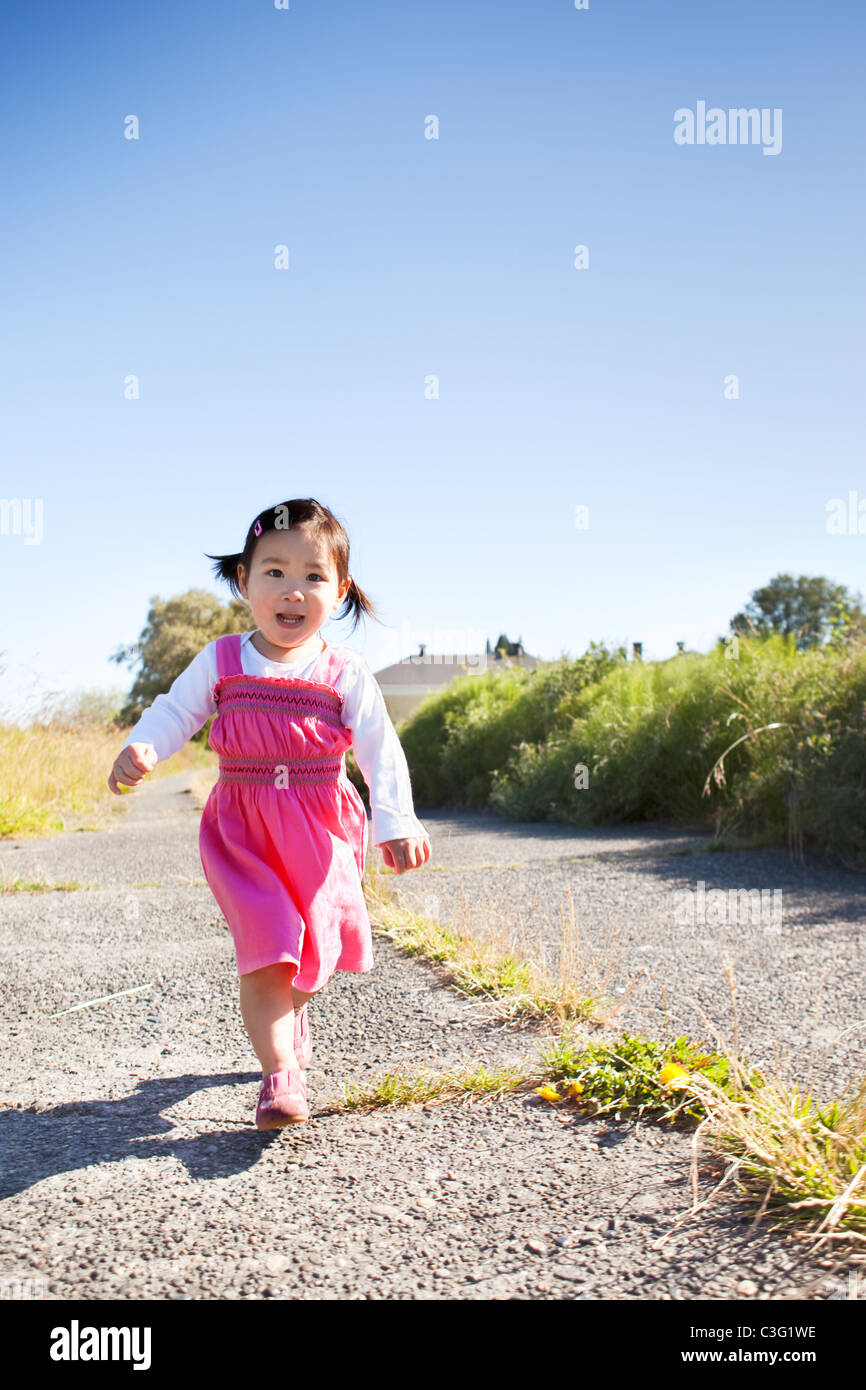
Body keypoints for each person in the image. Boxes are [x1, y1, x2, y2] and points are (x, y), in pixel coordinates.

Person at [108, 497, 431, 1130]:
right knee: (269, 950)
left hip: (323, 831)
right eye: (274, 572)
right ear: (244, 582)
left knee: (317, 952)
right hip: (243, 831)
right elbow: (177, 710)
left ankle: (292, 1013)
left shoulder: (345, 672)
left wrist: (397, 819)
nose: (293, 589)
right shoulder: (223, 660)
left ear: (339, 592)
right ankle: (279, 1076)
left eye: (314, 576)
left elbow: (378, 748)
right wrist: (146, 744)